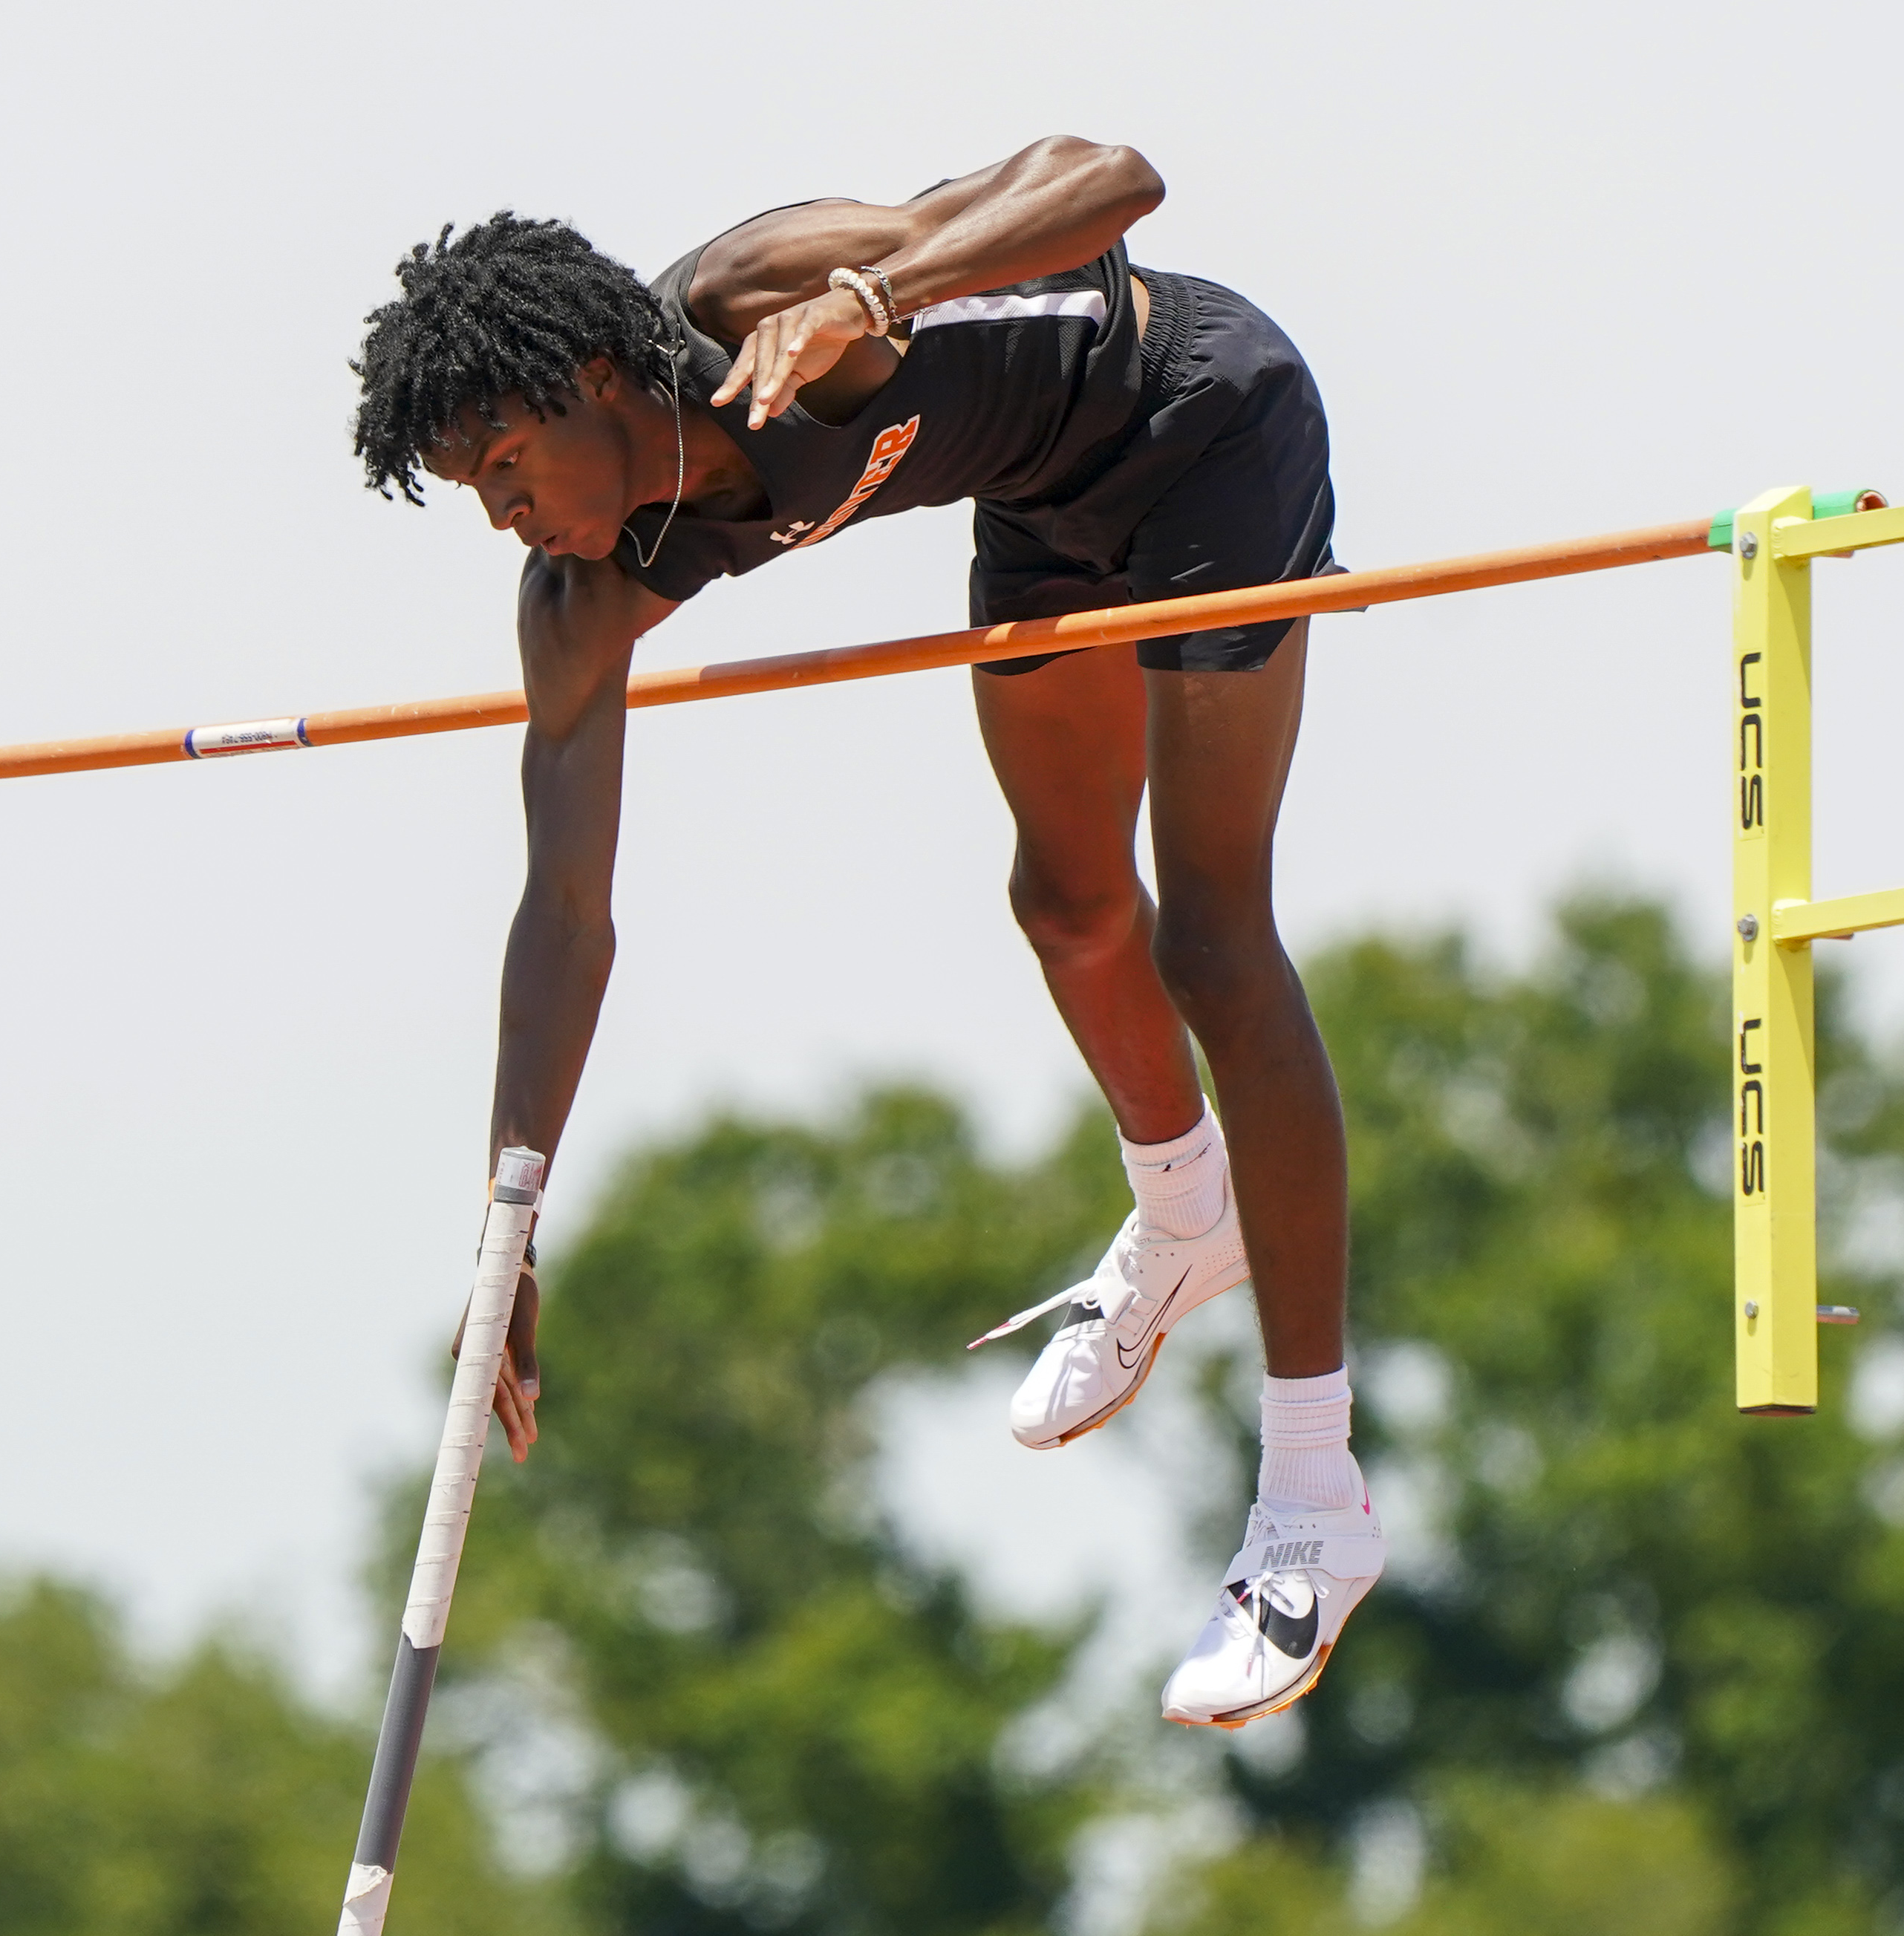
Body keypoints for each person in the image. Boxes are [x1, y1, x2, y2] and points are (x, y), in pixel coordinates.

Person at [348, 137, 1376, 1728]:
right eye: (476, 499)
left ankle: (1315, 1495)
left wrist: (876, 293)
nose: (504, 520)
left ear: (600, 375)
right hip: (1045, 499)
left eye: (503, 470)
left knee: (1210, 939)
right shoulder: (586, 595)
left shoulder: (756, 294)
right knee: (1066, 904)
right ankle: (1190, 1220)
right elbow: (565, 908)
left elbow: (1112, 176)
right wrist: (512, 1218)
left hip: (1201, 418)